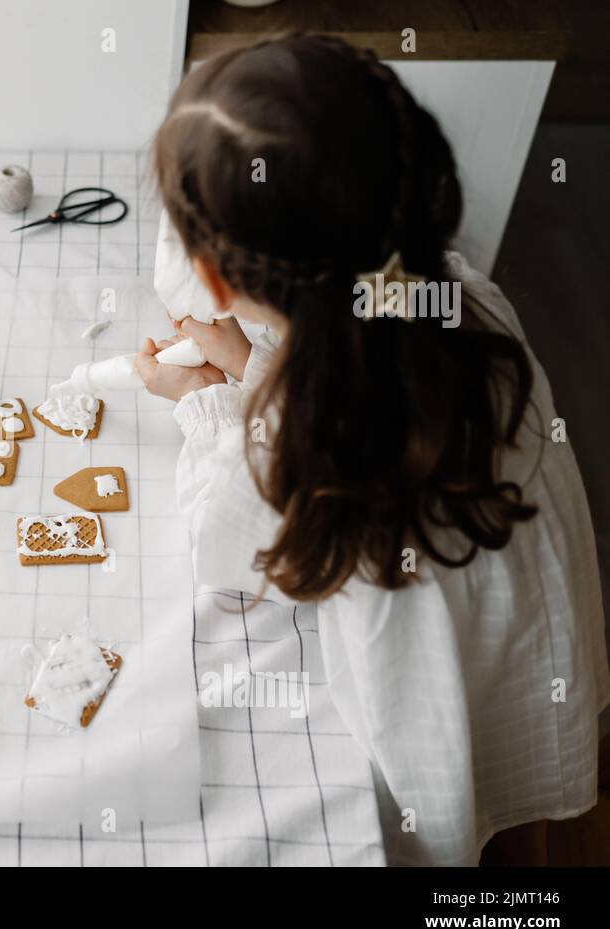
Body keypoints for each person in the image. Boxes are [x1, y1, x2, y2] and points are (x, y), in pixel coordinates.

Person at [138, 34, 608, 865]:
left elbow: (226, 549)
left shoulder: (297, 439)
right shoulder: (464, 298)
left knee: (455, 802)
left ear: (212, 281)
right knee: (523, 780)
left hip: (433, 667)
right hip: (525, 621)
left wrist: (206, 400)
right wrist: (252, 364)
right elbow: (361, 346)